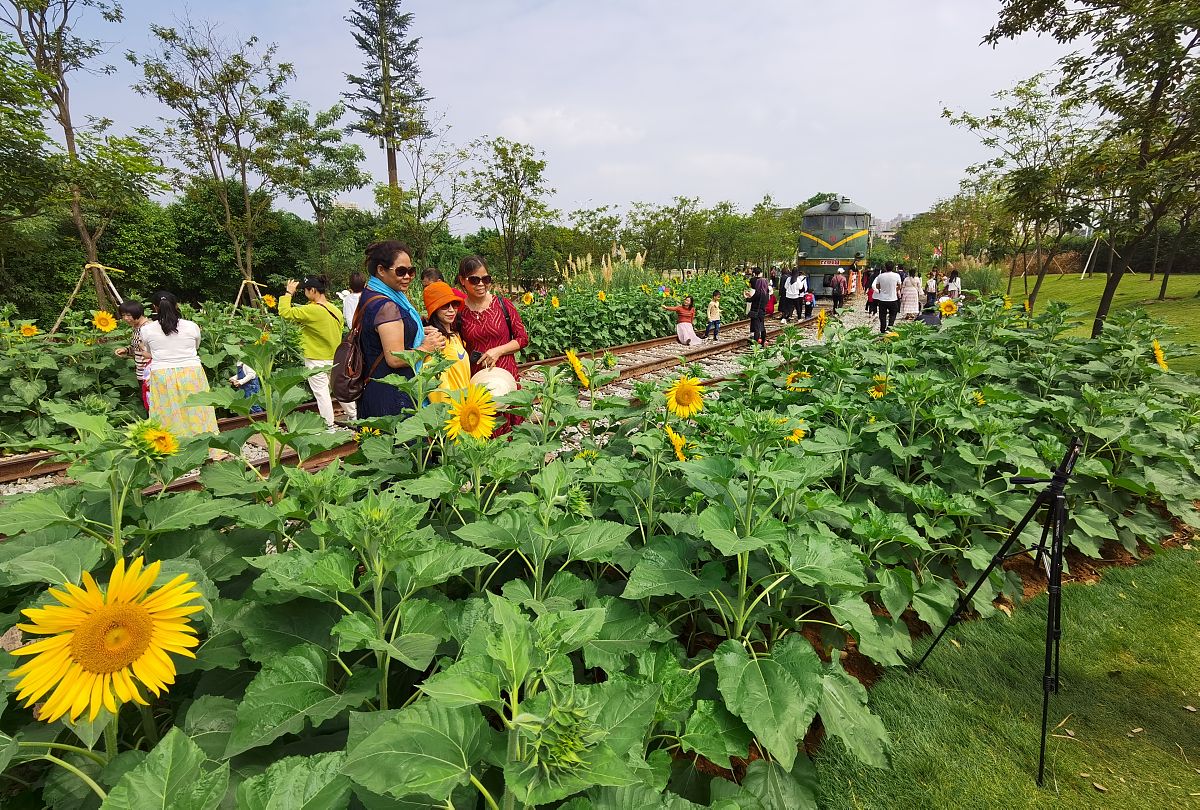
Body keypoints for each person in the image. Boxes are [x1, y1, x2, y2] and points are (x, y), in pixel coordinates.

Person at [356, 241, 446, 418]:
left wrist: (417, 332)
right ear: (381, 270)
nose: (408, 276)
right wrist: (426, 347)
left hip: (379, 390)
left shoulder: (372, 294)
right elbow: (395, 358)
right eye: (401, 271)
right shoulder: (386, 306)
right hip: (393, 398)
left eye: (411, 271)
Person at [457, 255, 529, 434]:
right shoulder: (460, 311)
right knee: (483, 428)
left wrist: (498, 350)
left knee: (511, 428)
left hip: (506, 374)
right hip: (478, 376)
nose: (481, 284)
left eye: (485, 279)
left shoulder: (503, 305)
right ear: (462, 281)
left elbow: (522, 338)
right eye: (474, 280)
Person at [140, 292, 219, 440]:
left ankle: (171, 449)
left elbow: (151, 352)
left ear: (155, 308)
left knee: (167, 413)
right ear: (176, 306)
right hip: (191, 372)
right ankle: (208, 446)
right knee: (199, 410)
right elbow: (195, 347)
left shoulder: (146, 330)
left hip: (162, 375)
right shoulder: (192, 326)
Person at [279, 276, 349, 430]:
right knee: (340, 390)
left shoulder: (312, 310)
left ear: (313, 290)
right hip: (335, 358)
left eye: (305, 290)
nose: (304, 292)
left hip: (316, 359)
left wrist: (288, 293)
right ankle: (355, 416)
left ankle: (328, 426)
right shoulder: (335, 309)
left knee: (322, 394)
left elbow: (284, 312)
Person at [422, 281, 471, 403]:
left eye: (454, 304)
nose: (451, 310)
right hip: (452, 414)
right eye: (444, 306)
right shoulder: (436, 341)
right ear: (434, 310)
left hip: (465, 407)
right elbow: (437, 389)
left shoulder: (455, 336)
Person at [114, 301, 151, 411]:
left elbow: (154, 349)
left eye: (128, 315)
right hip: (141, 371)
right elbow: (137, 347)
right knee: (146, 400)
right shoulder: (136, 327)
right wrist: (126, 350)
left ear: (138, 313)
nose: (125, 318)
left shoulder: (148, 328)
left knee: (151, 401)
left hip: (149, 372)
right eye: (123, 315)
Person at [872, 262, 903, 333]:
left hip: (882, 299)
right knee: (893, 314)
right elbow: (899, 285)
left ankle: (882, 329)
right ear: (893, 267)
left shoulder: (880, 276)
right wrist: (895, 290)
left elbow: (877, 286)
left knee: (882, 315)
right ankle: (890, 327)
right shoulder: (896, 275)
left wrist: (883, 289)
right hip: (893, 298)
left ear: (885, 267)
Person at [744, 268, 769, 347]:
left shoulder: (758, 292)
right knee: (762, 326)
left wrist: (746, 296)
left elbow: (751, 300)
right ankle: (763, 340)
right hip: (762, 311)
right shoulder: (766, 294)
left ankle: (756, 343)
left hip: (756, 311)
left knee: (757, 328)